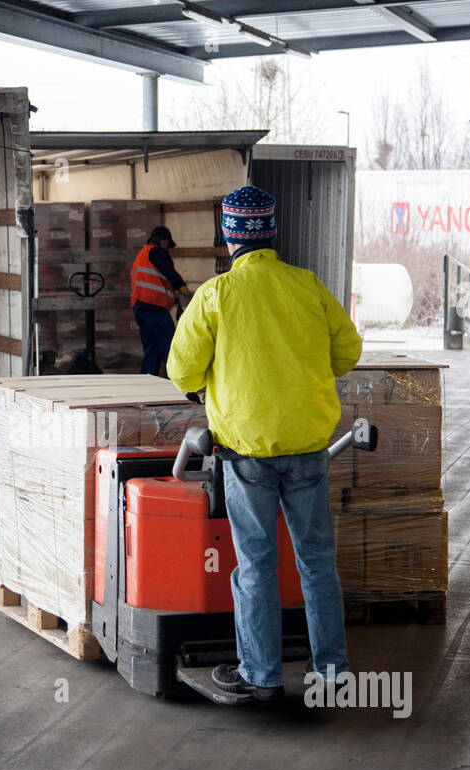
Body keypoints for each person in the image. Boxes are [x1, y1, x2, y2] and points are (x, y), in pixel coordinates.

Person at [166, 185, 363, 701]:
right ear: (271, 232)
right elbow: (347, 352)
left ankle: (261, 675)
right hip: (309, 449)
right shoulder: (307, 285)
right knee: (316, 562)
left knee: (256, 565)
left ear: (229, 236)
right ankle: (332, 672)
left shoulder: (217, 294)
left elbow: (181, 369)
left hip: (247, 452)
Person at [130, 226, 191, 376]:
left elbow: (156, 280)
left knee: (152, 350)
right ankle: (178, 380)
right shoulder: (157, 252)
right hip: (154, 308)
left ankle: (147, 381)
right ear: (163, 240)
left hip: (140, 307)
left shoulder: (143, 254)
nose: (168, 249)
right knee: (170, 346)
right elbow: (170, 272)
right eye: (168, 245)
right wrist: (183, 288)